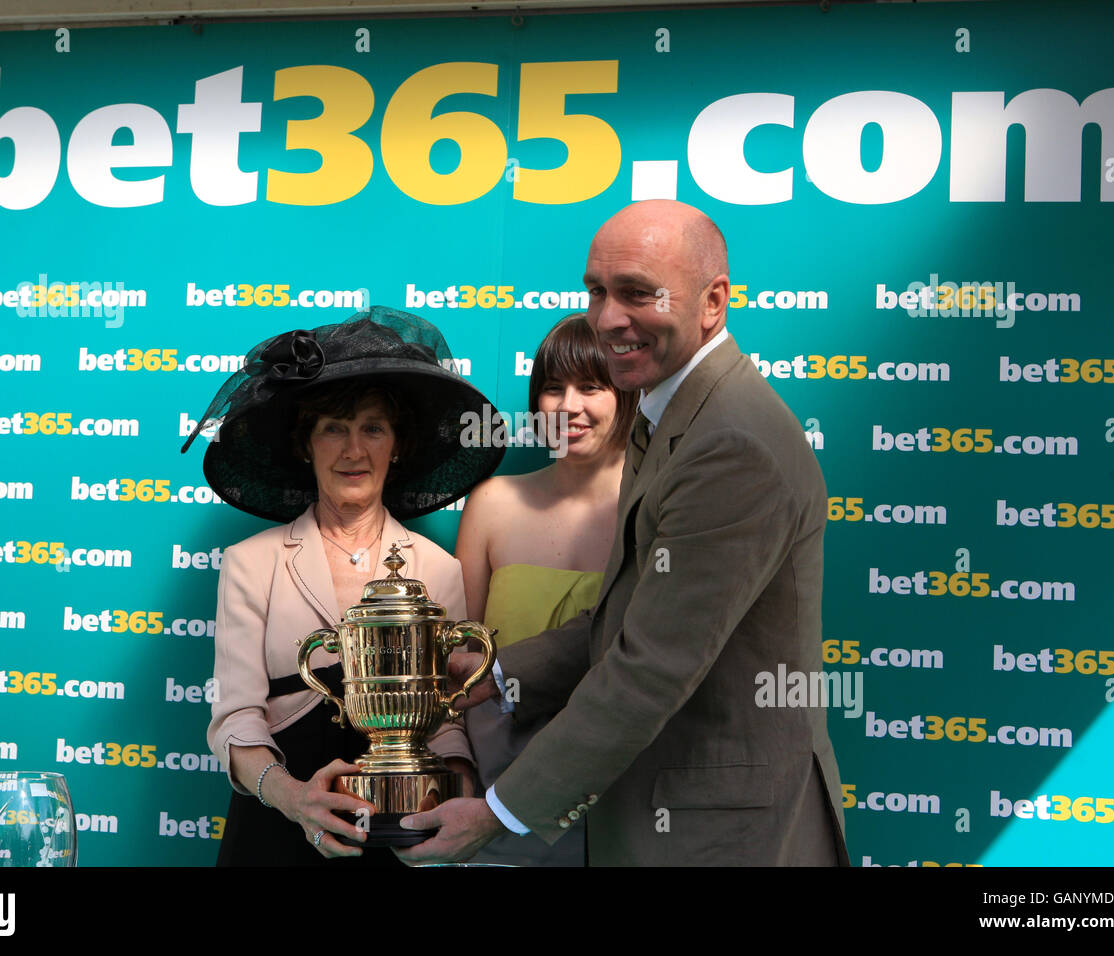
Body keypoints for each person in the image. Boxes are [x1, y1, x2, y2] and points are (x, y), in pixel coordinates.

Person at [396, 200, 848, 866]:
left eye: (637, 293)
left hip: (718, 836)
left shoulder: (728, 442)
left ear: (712, 301)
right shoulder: (675, 415)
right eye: (597, 292)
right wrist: (496, 672)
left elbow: (650, 667)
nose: (607, 319)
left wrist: (498, 812)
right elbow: (633, 618)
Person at [182, 307, 503, 865]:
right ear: (306, 445)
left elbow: (446, 715)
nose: (354, 451)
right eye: (334, 429)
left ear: (397, 445)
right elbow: (234, 719)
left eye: (372, 428)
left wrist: (456, 784)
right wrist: (294, 798)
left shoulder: (438, 568)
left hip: (402, 832)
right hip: (277, 828)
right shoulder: (248, 563)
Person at [456, 315, 637, 866]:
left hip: (622, 789)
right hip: (496, 789)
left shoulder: (654, 509)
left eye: (591, 386)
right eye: (553, 388)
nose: (568, 405)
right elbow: (457, 657)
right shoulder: (491, 502)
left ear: (627, 395)